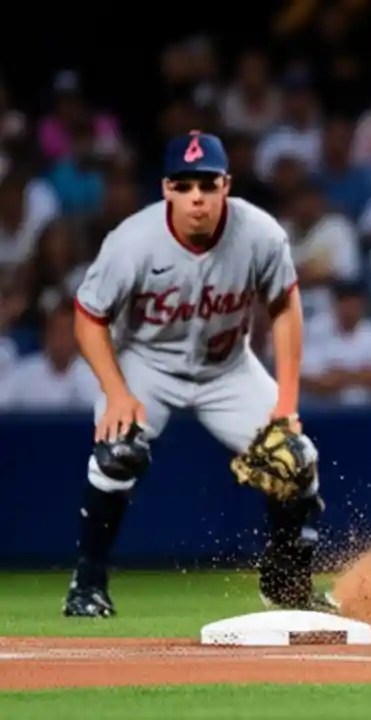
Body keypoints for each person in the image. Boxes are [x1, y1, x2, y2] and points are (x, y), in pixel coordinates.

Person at [65, 131, 335, 618]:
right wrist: (116, 392)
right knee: (117, 453)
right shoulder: (133, 241)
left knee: (295, 461)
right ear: (166, 188)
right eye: (185, 185)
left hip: (227, 369)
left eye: (207, 185)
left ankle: (285, 586)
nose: (197, 197)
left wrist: (287, 403)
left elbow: (285, 309)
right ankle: (87, 584)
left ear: (226, 185)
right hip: (146, 362)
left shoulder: (259, 233)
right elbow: (89, 318)